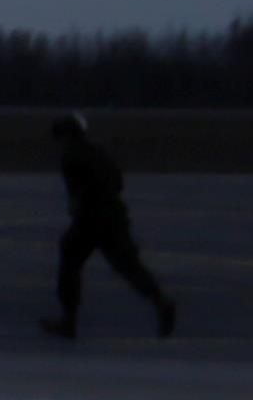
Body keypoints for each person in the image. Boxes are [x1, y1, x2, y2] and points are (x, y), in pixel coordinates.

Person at [40, 111, 177, 341]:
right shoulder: (98, 151)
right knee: (128, 266)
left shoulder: (71, 157)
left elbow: (78, 192)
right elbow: (117, 182)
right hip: (114, 217)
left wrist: (80, 206)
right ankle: (161, 302)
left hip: (91, 219)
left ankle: (69, 321)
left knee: (70, 262)